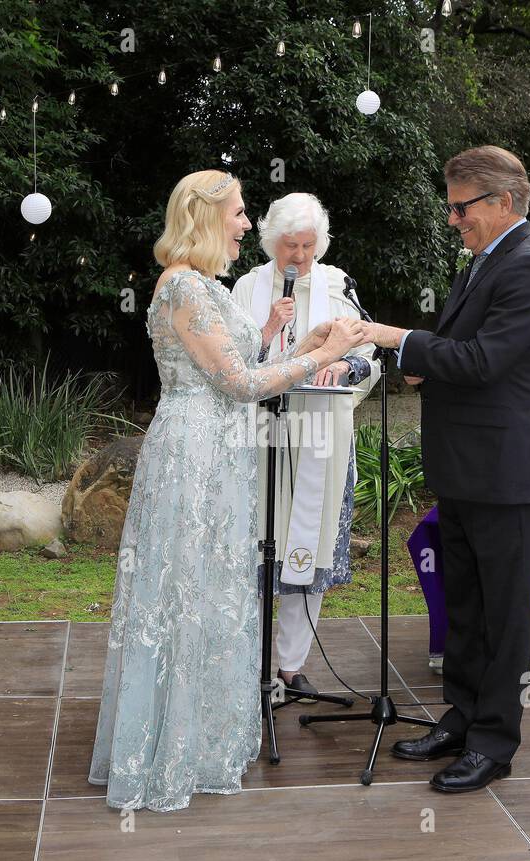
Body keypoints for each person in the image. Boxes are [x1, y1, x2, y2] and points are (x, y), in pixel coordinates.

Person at [87, 170, 366, 811]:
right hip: (193, 452)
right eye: (240, 214)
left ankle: (201, 735)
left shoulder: (206, 285)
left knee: (211, 588)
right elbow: (237, 383)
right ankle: (165, 745)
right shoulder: (182, 284)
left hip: (223, 450)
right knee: (186, 586)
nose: (247, 224)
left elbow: (238, 362)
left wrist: (305, 339)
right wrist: (319, 358)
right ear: (207, 219)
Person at [357, 146, 530, 792]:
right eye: (451, 206)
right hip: (465, 472)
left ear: (503, 201)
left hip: (503, 478)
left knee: (504, 619)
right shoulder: (485, 261)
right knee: (466, 609)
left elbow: (484, 361)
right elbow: (465, 355)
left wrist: (400, 341)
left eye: (460, 207)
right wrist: (424, 363)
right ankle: (463, 717)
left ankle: (495, 743)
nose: (452, 219)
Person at [231, 192, 381, 703]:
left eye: (309, 246)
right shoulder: (247, 286)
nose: (300, 257)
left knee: (308, 546)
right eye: (291, 246)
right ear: (272, 242)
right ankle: (249, 662)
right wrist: (267, 328)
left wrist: (352, 365)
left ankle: (292, 666)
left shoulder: (340, 285)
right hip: (260, 434)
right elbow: (229, 361)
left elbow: (370, 354)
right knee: (256, 546)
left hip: (323, 433)